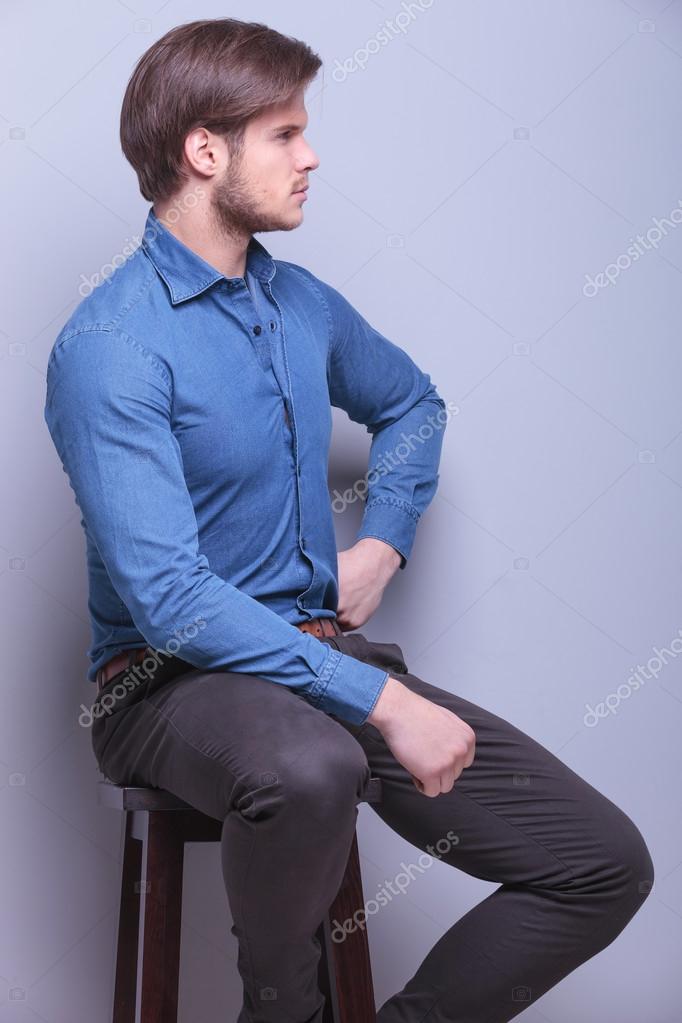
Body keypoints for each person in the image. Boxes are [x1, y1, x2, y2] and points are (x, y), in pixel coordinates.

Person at [44, 17, 654, 1023]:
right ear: (205, 150)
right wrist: (384, 704)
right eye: (284, 133)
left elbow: (412, 403)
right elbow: (168, 601)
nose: (311, 154)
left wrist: (384, 538)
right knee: (314, 763)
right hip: (163, 685)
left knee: (600, 863)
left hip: (313, 658)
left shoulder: (302, 306)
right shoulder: (112, 345)